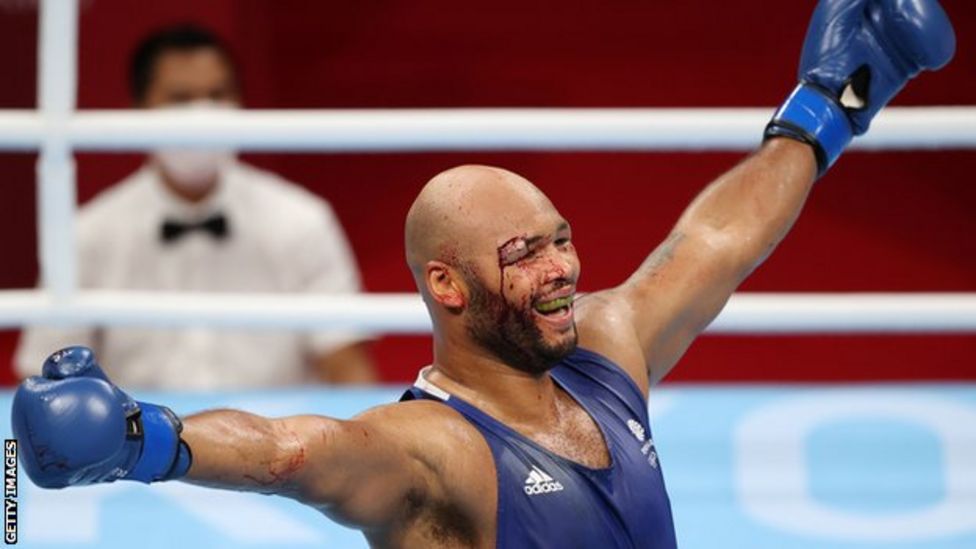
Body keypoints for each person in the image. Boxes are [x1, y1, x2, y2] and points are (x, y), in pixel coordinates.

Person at [12, 2, 955, 547]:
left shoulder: (605, 349)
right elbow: (286, 449)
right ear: (447, 287)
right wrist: (143, 437)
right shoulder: (433, 451)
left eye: (561, 239)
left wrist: (825, 110)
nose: (560, 272)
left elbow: (715, 241)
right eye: (524, 254)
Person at [15, 24, 376, 388]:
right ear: (138, 111)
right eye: (180, 99)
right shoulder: (88, 233)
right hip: (137, 440)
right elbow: (46, 380)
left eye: (218, 95)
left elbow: (348, 369)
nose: (203, 113)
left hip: (280, 438)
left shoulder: (303, 220)